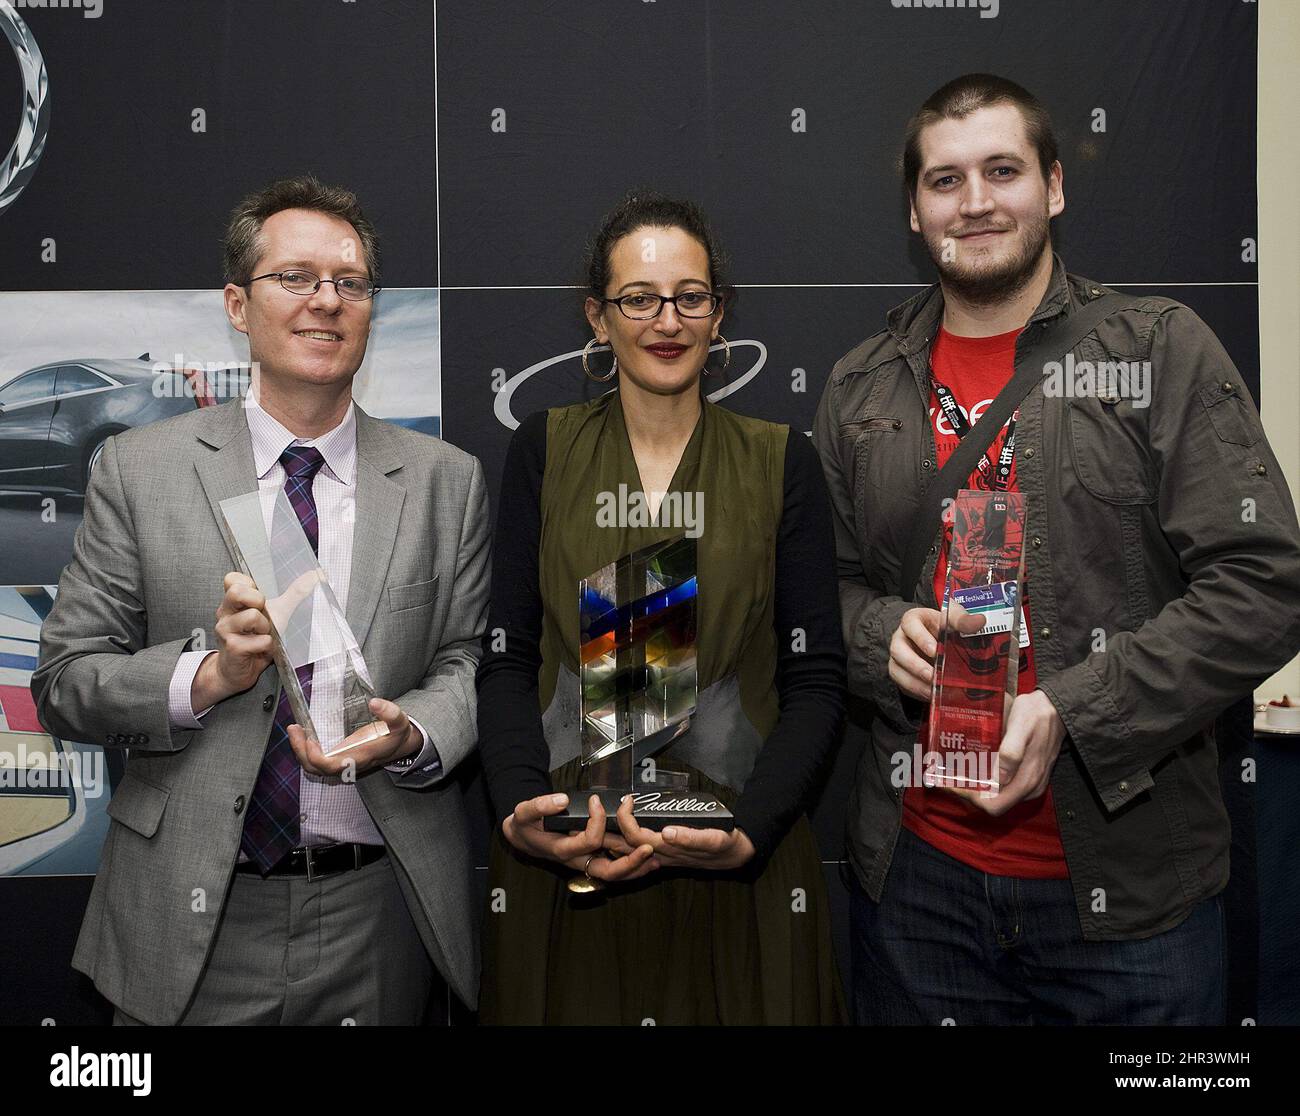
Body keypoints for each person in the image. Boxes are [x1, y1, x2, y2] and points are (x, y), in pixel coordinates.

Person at [812, 74, 1300, 1025]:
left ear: (1056, 186)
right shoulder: (858, 386)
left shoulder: (1158, 349)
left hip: (1132, 901)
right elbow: (819, 592)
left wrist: (1074, 710)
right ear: (916, 211)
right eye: (946, 180)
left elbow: (1266, 584)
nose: (978, 200)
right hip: (918, 890)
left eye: (1004, 170)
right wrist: (879, 633)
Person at [32, 175, 490, 1025]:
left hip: (375, 916)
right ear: (238, 305)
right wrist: (206, 676)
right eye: (296, 278)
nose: (326, 302)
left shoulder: (444, 481)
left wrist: (413, 731)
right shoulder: (142, 470)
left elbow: (467, 660)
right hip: (188, 918)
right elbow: (62, 681)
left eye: (349, 283)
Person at [476, 190, 846, 1024]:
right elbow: (504, 654)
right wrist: (518, 807)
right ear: (597, 319)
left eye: (690, 296)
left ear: (720, 316)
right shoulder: (544, 446)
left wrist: (748, 834)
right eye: (638, 299)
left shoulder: (779, 459)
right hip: (569, 849)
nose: (666, 319)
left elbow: (817, 679)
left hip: (731, 845)